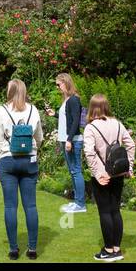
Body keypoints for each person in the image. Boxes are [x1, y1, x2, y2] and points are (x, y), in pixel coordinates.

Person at [0, 79, 45, 260]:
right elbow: (39, 137)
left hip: (8, 160)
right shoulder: (33, 110)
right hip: (29, 160)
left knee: (10, 206)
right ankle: (33, 249)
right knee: (31, 206)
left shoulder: (1, 111)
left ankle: (14, 249)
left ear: (10, 91)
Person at [82, 93, 136, 262]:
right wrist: (129, 166)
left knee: (105, 211)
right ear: (106, 106)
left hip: (103, 175)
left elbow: (89, 152)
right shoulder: (118, 124)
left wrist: (98, 173)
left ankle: (108, 250)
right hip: (118, 173)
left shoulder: (90, 128)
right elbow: (131, 145)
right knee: (115, 210)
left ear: (92, 108)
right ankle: (117, 249)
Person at [55, 73, 86, 213]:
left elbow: (75, 121)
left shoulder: (73, 99)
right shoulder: (67, 99)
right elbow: (67, 118)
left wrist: (69, 140)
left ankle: (80, 204)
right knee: (73, 171)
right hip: (66, 139)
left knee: (76, 171)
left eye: (58, 84)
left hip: (72, 140)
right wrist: (54, 114)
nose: (57, 87)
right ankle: (77, 202)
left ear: (66, 83)